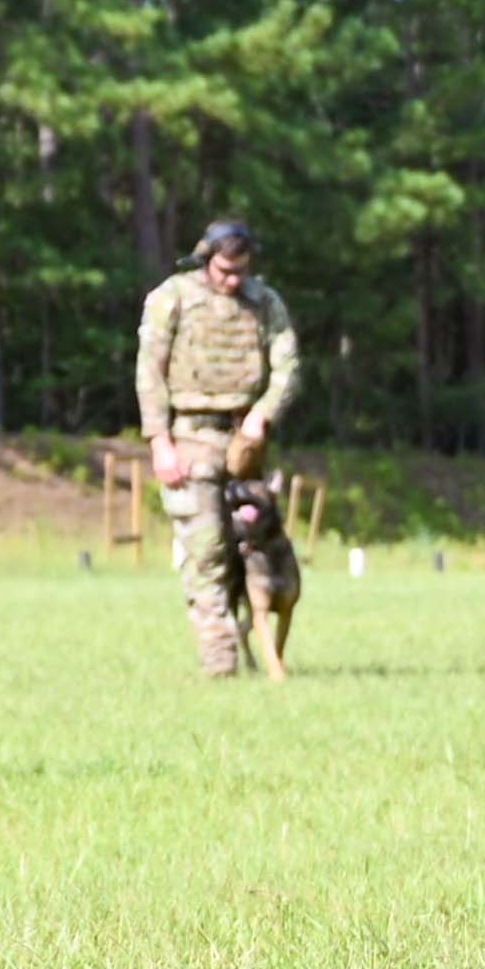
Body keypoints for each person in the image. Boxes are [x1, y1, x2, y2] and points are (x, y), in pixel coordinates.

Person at [135, 215, 304, 678]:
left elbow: (288, 367)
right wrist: (159, 442)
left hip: (246, 442)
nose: (232, 281)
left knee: (248, 549)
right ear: (207, 259)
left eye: (240, 271)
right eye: (224, 271)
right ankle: (220, 662)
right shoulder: (173, 297)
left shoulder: (264, 303)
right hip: (190, 437)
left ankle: (253, 649)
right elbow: (149, 370)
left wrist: (263, 413)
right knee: (207, 548)